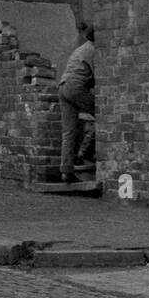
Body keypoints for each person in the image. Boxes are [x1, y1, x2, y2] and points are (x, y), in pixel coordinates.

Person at [58, 22, 95, 184]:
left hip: (63, 87)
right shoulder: (94, 51)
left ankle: (66, 171)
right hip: (76, 87)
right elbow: (100, 77)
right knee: (105, 116)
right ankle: (85, 152)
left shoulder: (81, 49)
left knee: (69, 132)